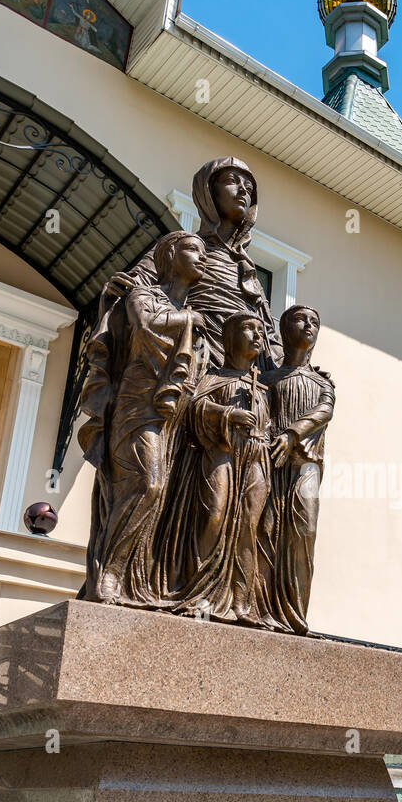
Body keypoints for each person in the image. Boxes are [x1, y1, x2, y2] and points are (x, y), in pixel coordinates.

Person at [79, 231, 205, 607]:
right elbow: (146, 323)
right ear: (169, 256)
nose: (201, 256)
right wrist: (189, 318)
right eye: (192, 249)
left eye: (203, 251)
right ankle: (108, 575)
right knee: (145, 485)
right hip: (137, 403)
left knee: (159, 494)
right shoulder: (145, 294)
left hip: (174, 414)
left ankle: (133, 580)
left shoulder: (192, 312)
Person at [102, 157, 282, 371]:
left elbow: (271, 338)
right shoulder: (181, 248)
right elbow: (136, 290)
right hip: (194, 354)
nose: (243, 190)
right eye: (232, 180)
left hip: (241, 371)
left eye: (249, 187)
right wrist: (116, 292)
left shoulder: (247, 269)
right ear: (208, 191)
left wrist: (296, 368)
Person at [166, 313, 278, 627]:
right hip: (221, 453)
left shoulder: (264, 388)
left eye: (260, 331)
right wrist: (228, 414)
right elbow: (194, 410)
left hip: (256, 458)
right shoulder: (214, 378)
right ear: (229, 339)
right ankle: (198, 595)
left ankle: (242, 603)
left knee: (248, 526)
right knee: (213, 514)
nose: (257, 336)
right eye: (248, 329)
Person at [261, 306, 335, 633]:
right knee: (264, 530)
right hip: (267, 465)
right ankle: (262, 607)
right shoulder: (266, 378)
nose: (309, 326)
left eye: (314, 322)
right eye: (300, 320)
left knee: (303, 531)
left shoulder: (323, 382)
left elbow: (324, 411)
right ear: (283, 329)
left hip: (305, 466)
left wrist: (291, 435)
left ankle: (294, 614)